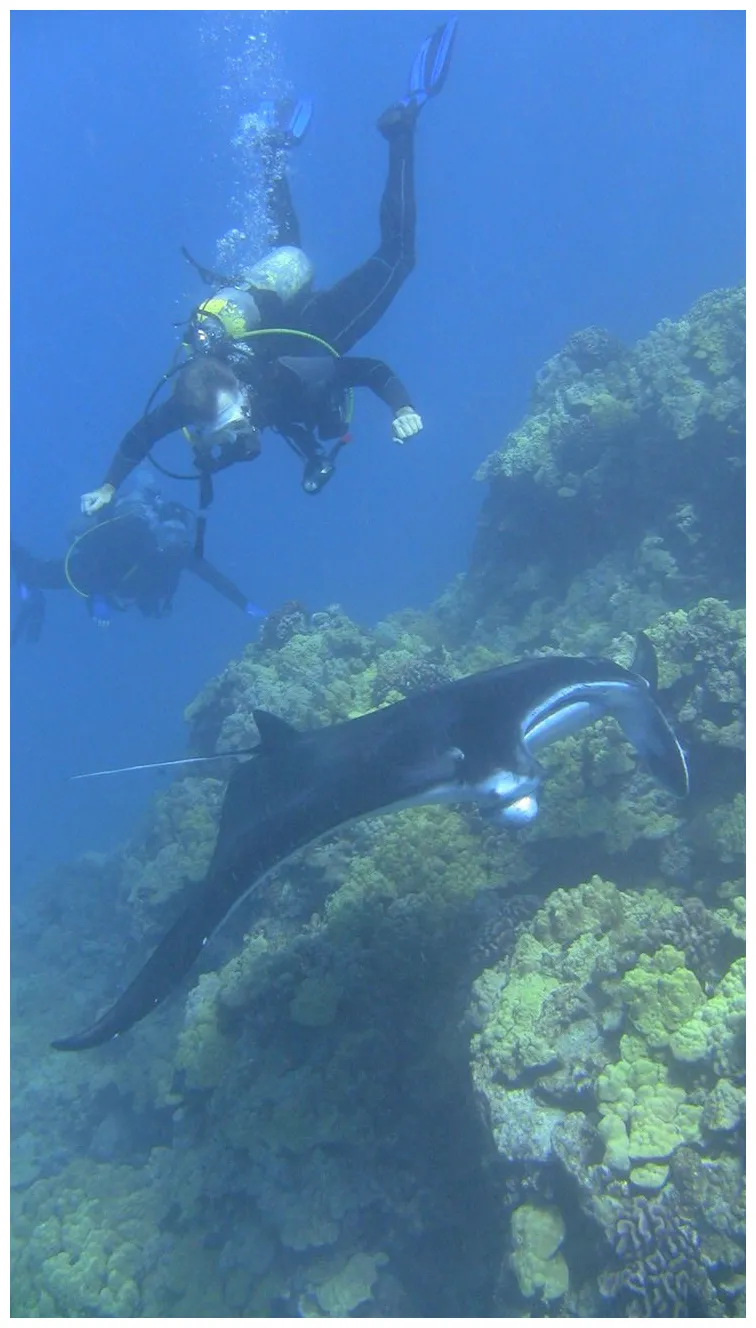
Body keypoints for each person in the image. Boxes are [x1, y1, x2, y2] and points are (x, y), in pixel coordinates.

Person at [80, 18, 458, 513]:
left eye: (233, 424)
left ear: (239, 389)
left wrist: (402, 406)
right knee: (285, 244)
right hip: (272, 314)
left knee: (397, 257)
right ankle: (267, 151)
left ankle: (402, 128)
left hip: (315, 332)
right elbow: (141, 436)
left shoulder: (284, 376)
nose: (236, 434)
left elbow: (369, 370)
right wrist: (108, 486)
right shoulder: (191, 399)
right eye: (220, 432)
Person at [12, 478, 261, 643]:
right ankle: (28, 587)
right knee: (33, 571)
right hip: (93, 571)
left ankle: (29, 587)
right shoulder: (134, 534)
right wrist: (98, 598)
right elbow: (99, 562)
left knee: (37, 573)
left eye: (179, 535)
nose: (174, 542)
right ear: (158, 531)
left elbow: (216, 579)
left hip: (122, 585)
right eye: (169, 535)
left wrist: (245, 604)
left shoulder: (182, 553)